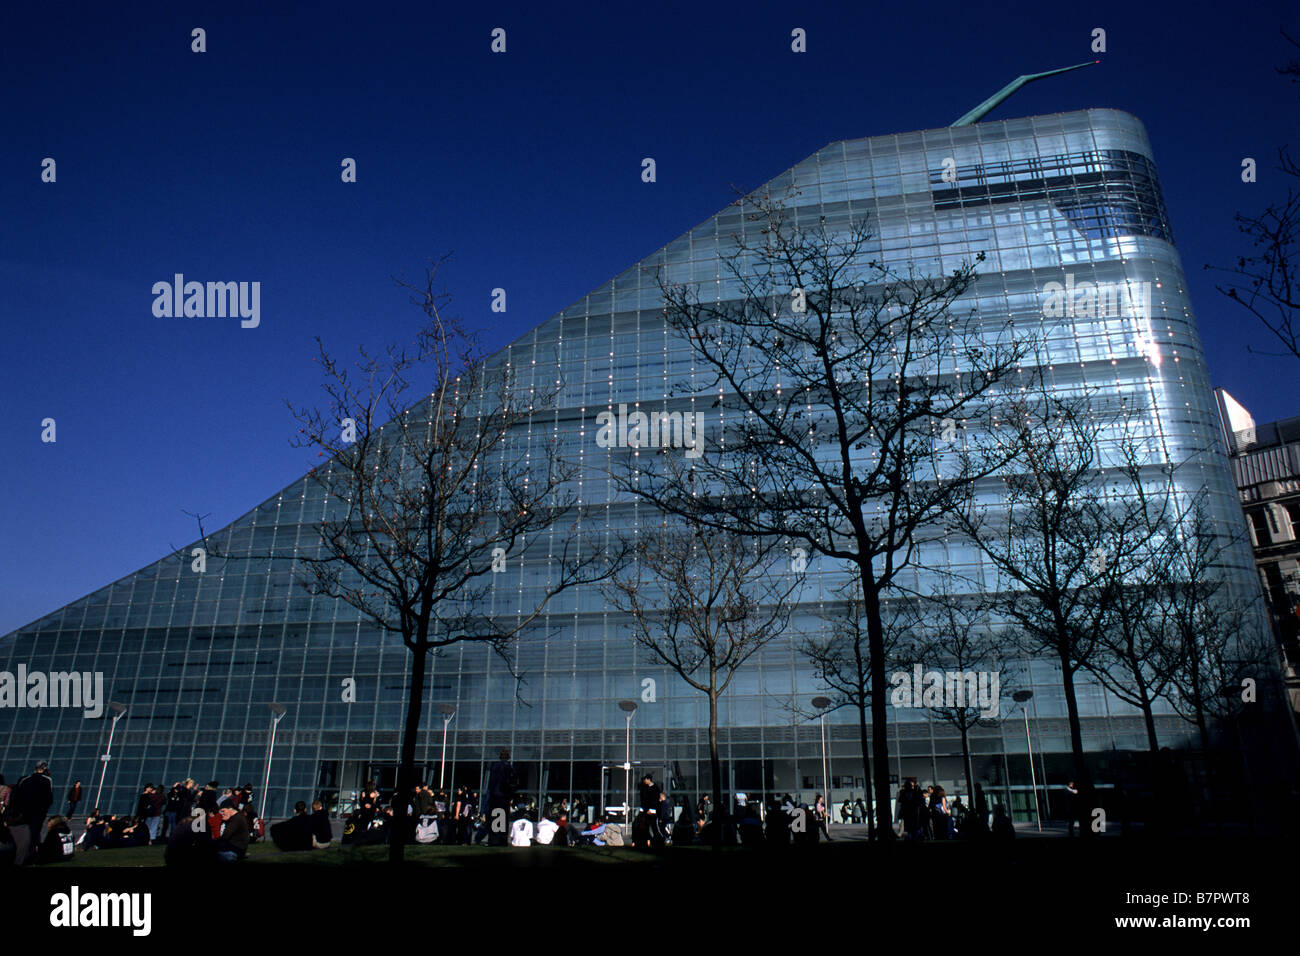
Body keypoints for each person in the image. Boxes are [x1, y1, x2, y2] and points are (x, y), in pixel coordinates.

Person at [8, 759, 54, 865]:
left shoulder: (24, 779)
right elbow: (49, 799)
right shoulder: (47, 780)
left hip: (23, 812)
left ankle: (23, 856)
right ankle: (31, 856)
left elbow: (15, 795)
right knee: (34, 833)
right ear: (44, 768)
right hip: (38, 813)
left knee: (23, 835)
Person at [486, 750, 516, 846]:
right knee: (503, 818)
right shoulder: (510, 768)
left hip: (495, 795)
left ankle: (494, 840)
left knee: (495, 817)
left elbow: (492, 782)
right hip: (504, 796)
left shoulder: (495, 766)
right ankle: (502, 840)